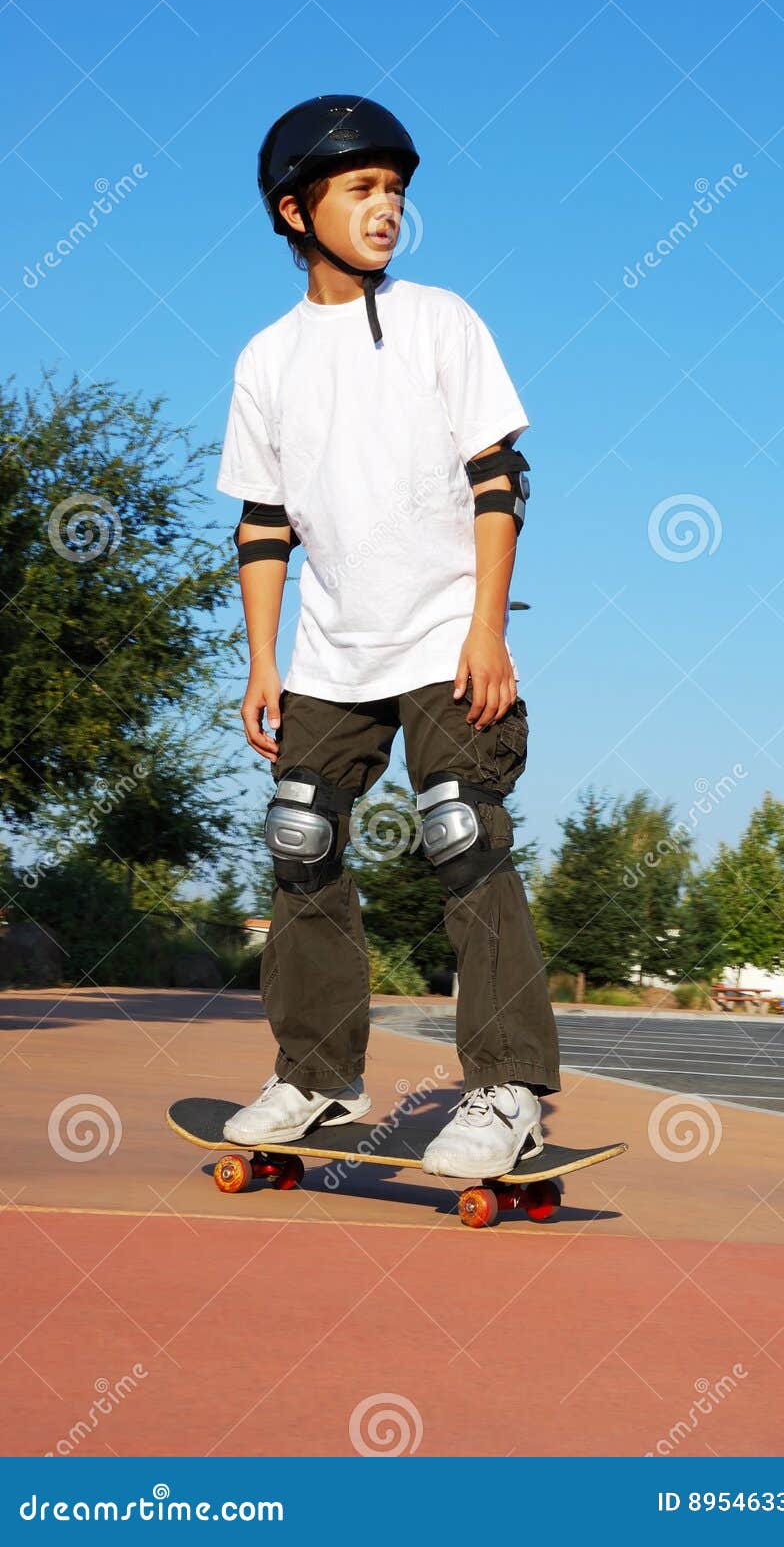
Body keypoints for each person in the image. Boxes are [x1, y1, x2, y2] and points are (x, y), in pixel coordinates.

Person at [215, 94, 561, 1178]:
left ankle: (507, 1088)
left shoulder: (440, 321)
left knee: (462, 834)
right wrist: (265, 660)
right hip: (328, 654)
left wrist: (488, 630)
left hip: (447, 641)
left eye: (397, 191)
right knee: (301, 841)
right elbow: (264, 525)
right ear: (293, 210)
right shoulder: (265, 360)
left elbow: (499, 479)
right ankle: (317, 1077)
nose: (387, 208)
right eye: (362, 189)